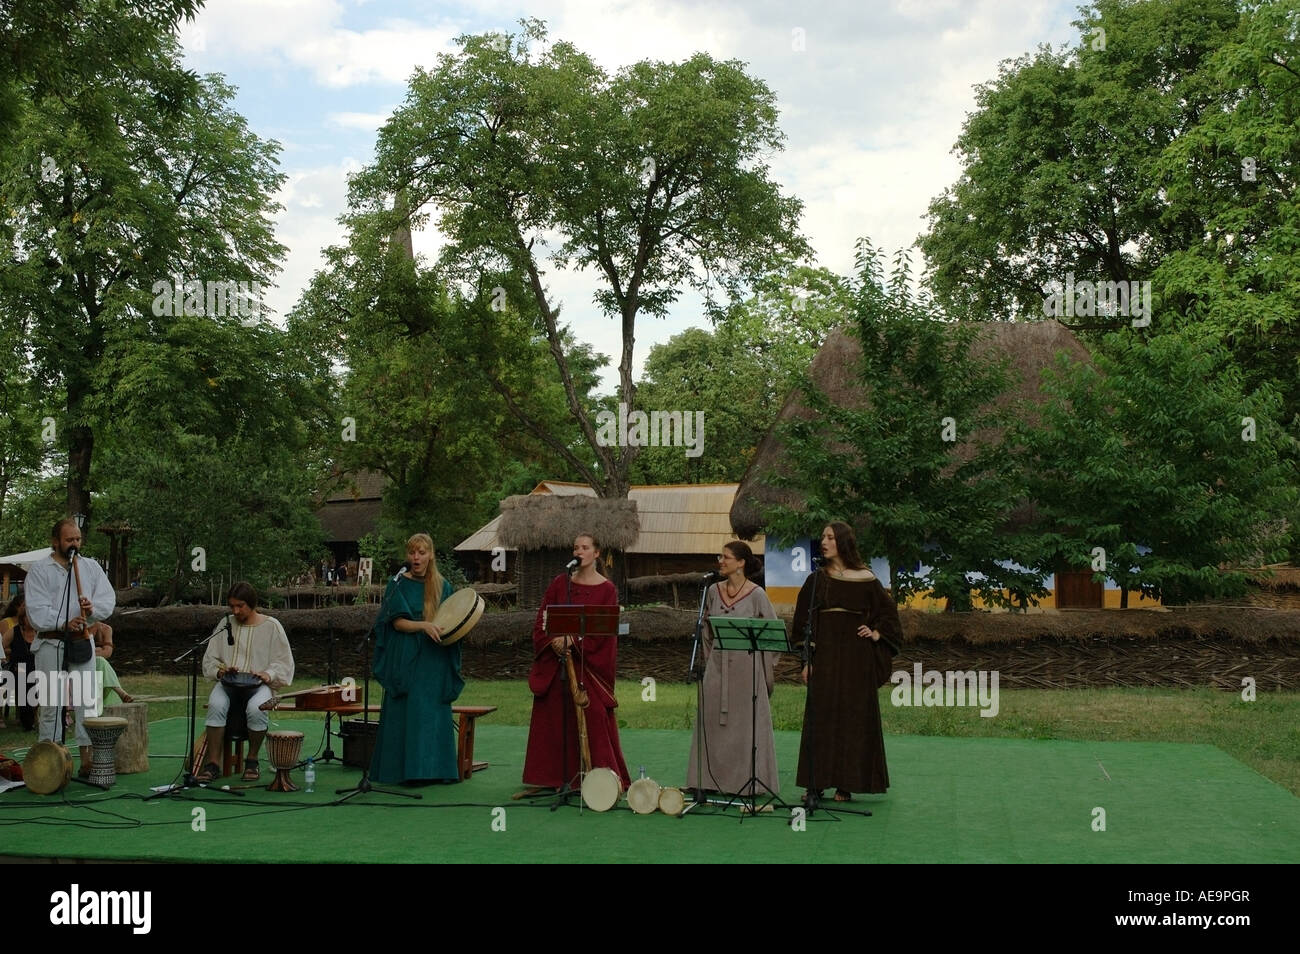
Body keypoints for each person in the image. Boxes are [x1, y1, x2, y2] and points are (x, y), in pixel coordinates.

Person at [792, 521, 902, 803]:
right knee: (821, 718)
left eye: (830, 537)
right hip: (825, 658)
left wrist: (876, 632)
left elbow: (889, 615)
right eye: (823, 537)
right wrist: (807, 660)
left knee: (853, 720)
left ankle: (846, 783)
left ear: (843, 542)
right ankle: (815, 784)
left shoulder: (866, 578)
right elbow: (803, 622)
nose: (824, 542)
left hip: (856, 660)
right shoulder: (816, 580)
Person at [520, 534, 630, 794]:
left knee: (591, 713)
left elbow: (605, 632)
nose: (579, 551)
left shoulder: (607, 590)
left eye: (585, 547)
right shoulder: (560, 583)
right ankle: (555, 777)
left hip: (588, 669)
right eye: (576, 547)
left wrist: (575, 641)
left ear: (597, 553)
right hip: (556, 665)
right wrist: (554, 641)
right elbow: (542, 621)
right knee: (554, 713)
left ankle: (596, 778)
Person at [686, 541, 782, 797]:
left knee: (744, 728)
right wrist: (713, 660)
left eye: (726, 557)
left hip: (747, 672)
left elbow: (772, 637)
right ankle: (708, 781)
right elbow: (706, 632)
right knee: (711, 723)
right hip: (717, 669)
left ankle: (747, 783)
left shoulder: (757, 595)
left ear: (741, 563)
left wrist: (760, 669)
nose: (721, 561)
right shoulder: (714, 591)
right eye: (721, 556)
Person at [370, 534, 465, 784]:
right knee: (406, 712)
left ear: (430, 555)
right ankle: (401, 771)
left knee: (430, 712)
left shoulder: (443, 586)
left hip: (434, 658)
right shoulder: (398, 583)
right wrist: (423, 625)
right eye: (412, 552)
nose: (416, 557)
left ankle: (434, 771)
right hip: (406, 655)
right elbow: (397, 623)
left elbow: (454, 620)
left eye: (421, 552)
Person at [23, 518, 115, 775]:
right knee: (52, 703)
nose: (75, 544)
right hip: (51, 642)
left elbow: (108, 600)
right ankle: (51, 761)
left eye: (77, 539)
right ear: (55, 541)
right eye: (69, 540)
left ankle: (87, 759)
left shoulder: (90, 567)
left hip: (81, 641)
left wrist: (92, 609)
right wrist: (64, 621)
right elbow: (36, 611)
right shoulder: (40, 570)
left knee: (87, 701)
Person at [196, 582, 294, 783]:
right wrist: (222, 671)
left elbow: (283, 661)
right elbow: (210, 659)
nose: (235, 610)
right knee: (216, 705)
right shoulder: (225, 624)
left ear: (252, 604)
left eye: (240, 606)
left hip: (259, 685)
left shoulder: (272, 626)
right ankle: (213, 764)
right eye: (232, 606)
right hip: (228, 684)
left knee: (257, 709)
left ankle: (252, 760)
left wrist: (268, 674)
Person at [91, 621, 133, 705]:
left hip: (96, 665)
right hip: (80, 663)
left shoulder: (106, 629)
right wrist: (95, 651)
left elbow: (107, 653)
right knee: (100, 660)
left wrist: (92, 652)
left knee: (100, 661)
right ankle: (119, 691)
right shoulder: (80, 627)